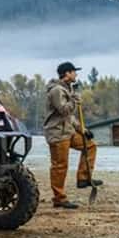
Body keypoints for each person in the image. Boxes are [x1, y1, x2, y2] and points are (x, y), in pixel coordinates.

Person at [42, 61, 101, 209]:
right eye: (74, 71)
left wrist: (83, 130)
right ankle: (59, 198)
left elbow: (69, 117)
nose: (76, 74)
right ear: (67, 73)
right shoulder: (56, 90)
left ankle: (84, 178)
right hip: (57, 133)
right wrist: (74, 100)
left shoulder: (66, 89)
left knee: (90, 146)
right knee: (60, 166)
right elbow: (64, 110)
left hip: (68, 131)